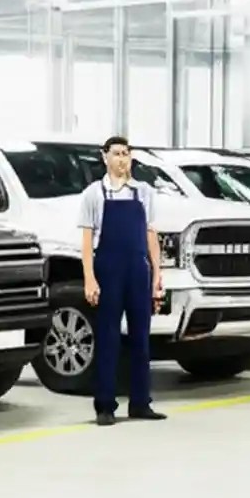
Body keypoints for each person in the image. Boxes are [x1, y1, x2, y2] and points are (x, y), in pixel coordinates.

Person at [77, 135, 166, 426]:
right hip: (108, 268)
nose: (122, 159)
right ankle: (105, 406)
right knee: (108, 337)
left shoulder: (144, 193)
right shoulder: (94, 194)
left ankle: (141, 403)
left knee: (141, 337)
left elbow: (151, 235)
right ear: (105, 157)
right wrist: (90, 279)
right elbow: (87, 242)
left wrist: (157, 275)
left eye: (126, 153)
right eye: (116, 153)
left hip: (138, 271)